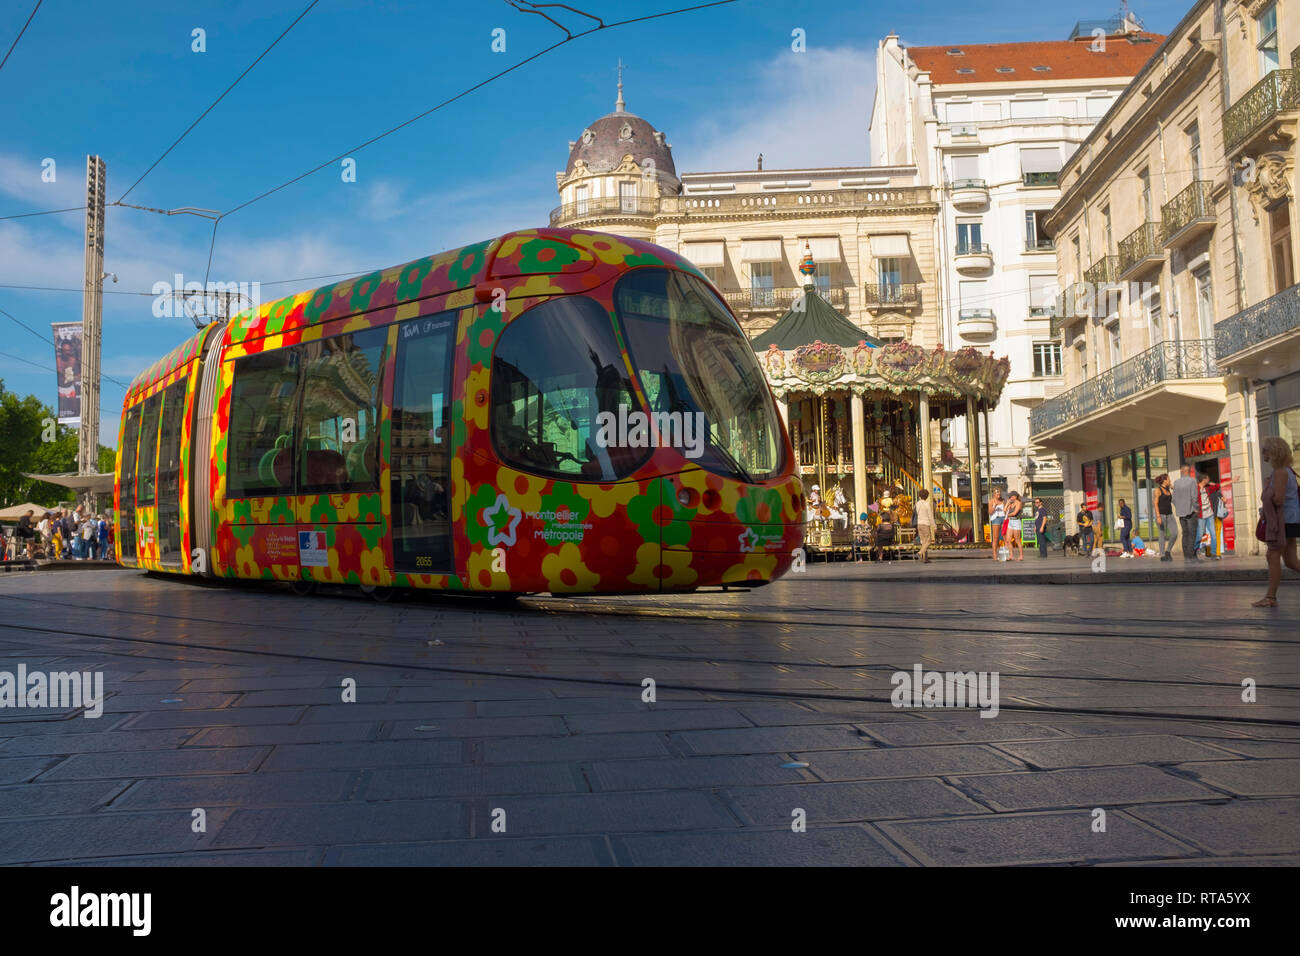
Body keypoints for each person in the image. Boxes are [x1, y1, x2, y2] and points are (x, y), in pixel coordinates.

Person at [1253, 436, 1300, 608]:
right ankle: (1270, 597)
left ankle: (1270, 598)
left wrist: (1267, 488)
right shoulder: (1286, 470)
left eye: (1265, 450)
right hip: (1291, 520)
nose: (1263, 453)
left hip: (1283, 522)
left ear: (1274, 451)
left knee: (1273, 556)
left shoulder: (1280, 472)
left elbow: (1278, 499)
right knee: (1291, 560)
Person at [1172, 464, 1199, 559]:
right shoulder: (1192, 481)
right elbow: (1194, 497)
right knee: (1192, 533)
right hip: (1191, 511)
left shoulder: (1176, 483)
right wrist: (1196, 508)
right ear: (1189, 470)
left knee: (1185, 533)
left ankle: (1186, 555)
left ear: (1181, 470)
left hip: (1181, 513)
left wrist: (1179, 507)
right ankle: (1191, 555)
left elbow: (1173, 499)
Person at [1154, 472, 1177, 561]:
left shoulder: (1168, 490)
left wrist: (1172, 487)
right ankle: (1162, 555)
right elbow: (1155, 504)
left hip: (1170, 515)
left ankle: (1168, 551)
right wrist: (1158, 516)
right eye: (1168, 479)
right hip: (1161, 515)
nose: (1170, 480)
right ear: (1164, 480)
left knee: (1174, 533)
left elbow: (1175, 497)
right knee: (1162, 535)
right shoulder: (1158, 490)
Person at [1196, 472, 1217, 559]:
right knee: (1200, 534)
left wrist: (1232, 480)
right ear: (1204, 479)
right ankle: (1194, 550)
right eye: (1207, 478)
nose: (1209, 480)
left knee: (1213, 533)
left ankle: (1213, 553)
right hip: (1201, 515)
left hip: (1209, 514)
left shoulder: (1208, 488)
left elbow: (1219, 485)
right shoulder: (1195, 488)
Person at [915, 488, 936, 564]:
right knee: (928, 541)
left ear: (920, 496)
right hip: (925, 524)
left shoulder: (917, 504)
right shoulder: (927, 504)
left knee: (923, 542)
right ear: (927, 496)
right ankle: (920, 553)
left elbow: (917, 513)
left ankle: (925, 559)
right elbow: (930, 516)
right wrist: (934, 526)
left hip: (919, 524)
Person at [1004, 491, 1024, 561]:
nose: (1010, 498)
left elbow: (1014, 513)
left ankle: (1021, 555)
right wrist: (1007, 503)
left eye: (1011, 496)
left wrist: (1007, 515)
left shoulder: (1018, 503)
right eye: (1009, 497)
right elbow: (1004, 510)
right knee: (1008, 539)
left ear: (1015, 496)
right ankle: (1011, 555)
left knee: (1017, 539)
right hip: (1010, 521)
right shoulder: (1011, 503)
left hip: (1016, 521)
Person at [988, 489, 1005, 559]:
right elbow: (990, 512)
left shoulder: (1003, 500)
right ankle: (995, 555)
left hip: (1004, 518)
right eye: (997, 493)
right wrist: (994, 506)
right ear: (994, 494)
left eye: (999, 493)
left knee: (1005, 536)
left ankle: (1007, 554)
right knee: (996, 537)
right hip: (996, 518)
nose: (999, 495)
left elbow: (1006, 509)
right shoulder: (991, 501)